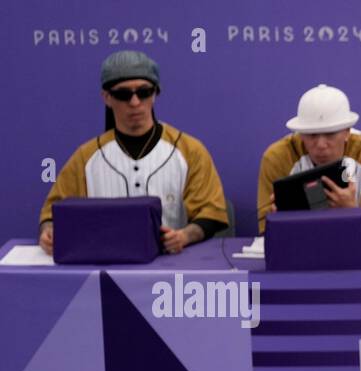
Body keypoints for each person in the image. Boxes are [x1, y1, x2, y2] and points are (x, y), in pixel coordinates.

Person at [38, 51, 229, 256]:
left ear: (155, 93)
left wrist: (184, 236)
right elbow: (52, 215)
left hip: (171, 268)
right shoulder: (86, 157)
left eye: (144, 92)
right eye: (123, 94)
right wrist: (49, 232)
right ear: (107, 97)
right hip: (104, 265)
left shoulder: (190, 151)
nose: (135, 102)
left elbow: (211, 213)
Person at [257, 84, 361, 241]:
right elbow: (269, 234)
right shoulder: (277, 158)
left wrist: (350, 212)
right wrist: (278, 221)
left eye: (330, 134)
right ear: (300, 134)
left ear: (347, 132)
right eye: (311, 135)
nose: (321, 145)